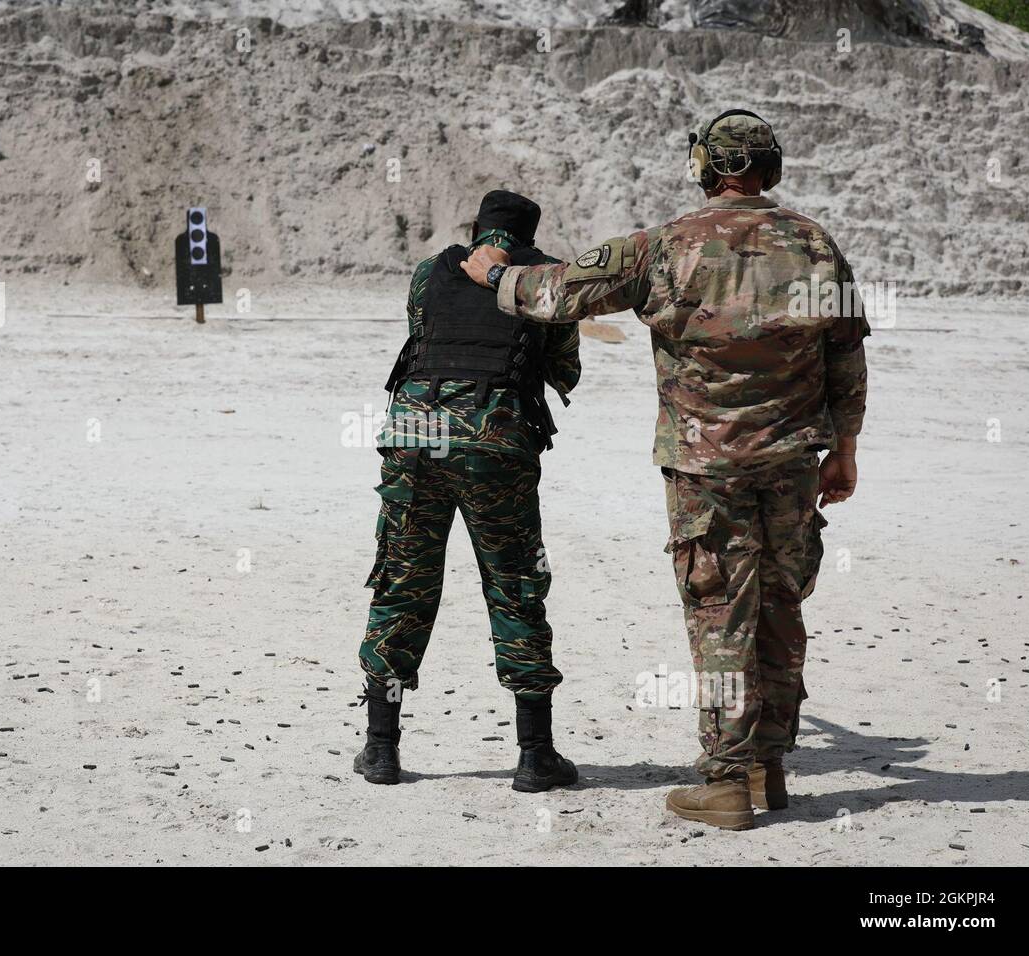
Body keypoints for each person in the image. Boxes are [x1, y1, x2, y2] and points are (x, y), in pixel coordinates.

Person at [461, 112, 869, 829]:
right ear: (770, 170)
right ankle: (768, 768)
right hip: (791, 465)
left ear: (707, 167)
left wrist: (494, 272)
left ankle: (724, 781)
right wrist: (845, 450)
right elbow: (846, 359)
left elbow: (558, 293)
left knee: (719, 615)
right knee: (780, 609)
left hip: (705, 471)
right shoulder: (814, 244)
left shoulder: (666, 246)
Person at [355, 190, 582, 792]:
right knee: (515, 587)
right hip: (495, 441)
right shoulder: (548, 279)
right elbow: (566, 371)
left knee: (403, 582)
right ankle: (535, 757)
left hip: (413, 431)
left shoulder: (430, 270)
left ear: (476, 227)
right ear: (531, 237)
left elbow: (421, 336)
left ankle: (381, 750)